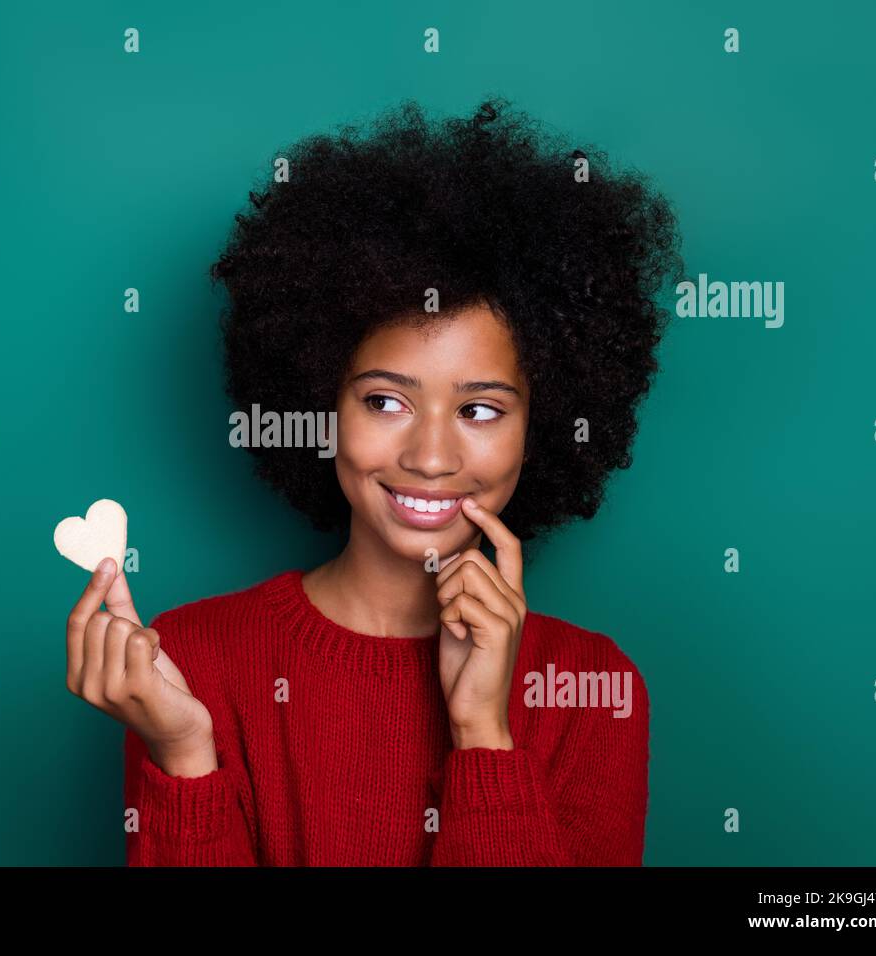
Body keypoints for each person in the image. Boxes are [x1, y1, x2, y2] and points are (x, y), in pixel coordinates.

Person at [66, 96, 683, 865]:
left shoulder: (593, 690)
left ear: (545, 425)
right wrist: (186, 756)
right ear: (317, 399)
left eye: (481, 410)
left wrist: (484, 734)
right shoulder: (187, 664)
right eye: (386, 401)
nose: (430, 455)